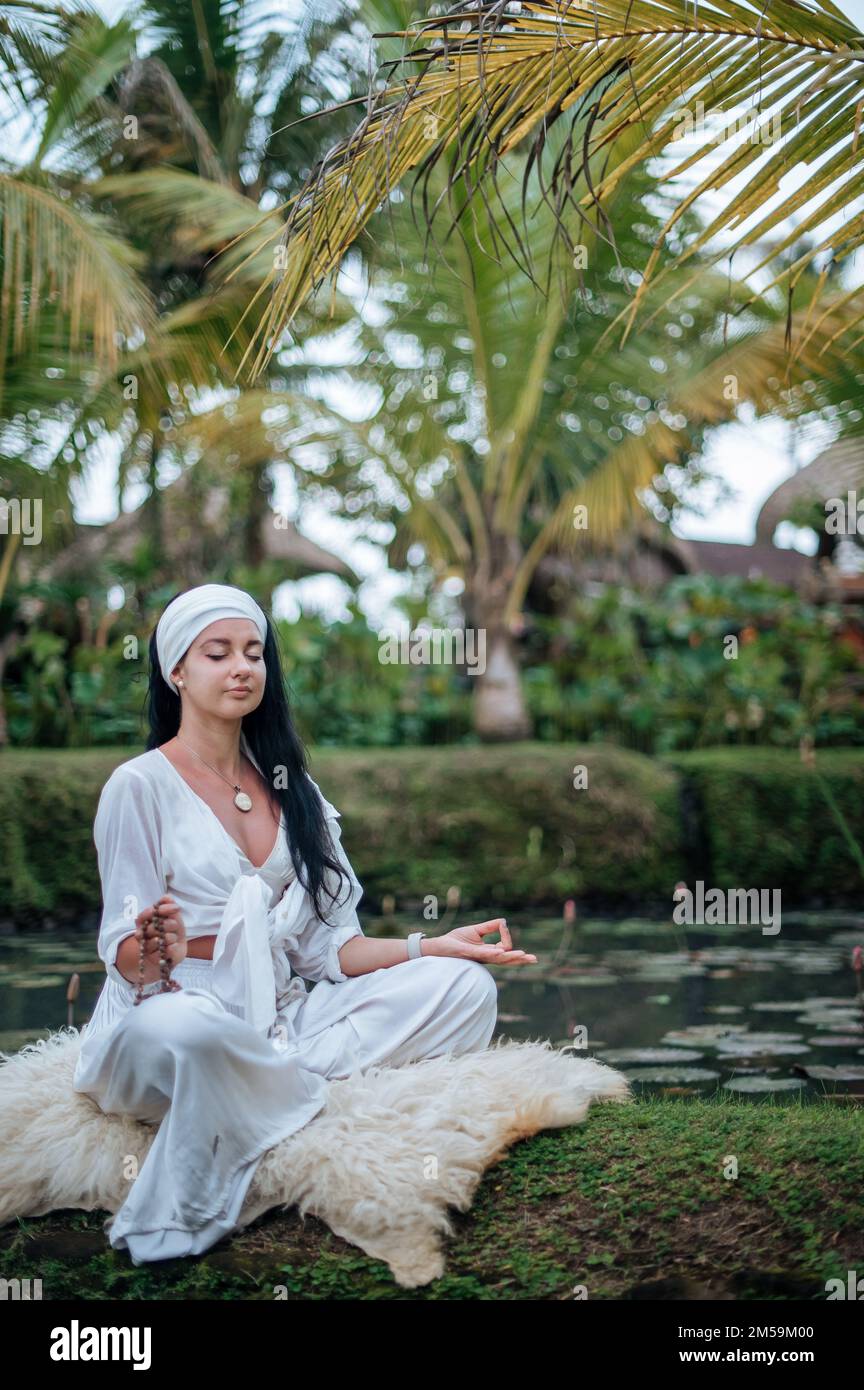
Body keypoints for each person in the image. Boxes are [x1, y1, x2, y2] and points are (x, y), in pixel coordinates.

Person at [73, 582, 537, 1265]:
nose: (241, 668)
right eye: (218, 653)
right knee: (195, 1034)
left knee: (463, 989)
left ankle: (271, 1078)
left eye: (254, 654)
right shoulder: (138, 787)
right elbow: (125, 954)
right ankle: (266, 1096)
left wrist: (431, 945)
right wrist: (156, 953)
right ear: (177, 670)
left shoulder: (295, 791)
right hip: (170, 1009)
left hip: (281, 1017)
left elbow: (331, 951)